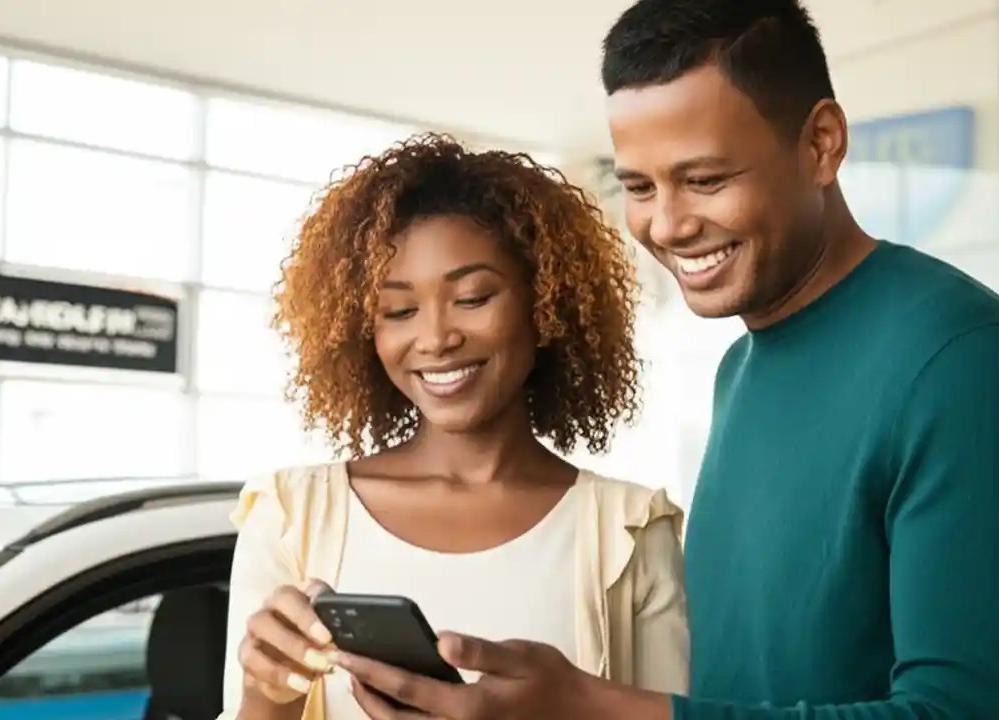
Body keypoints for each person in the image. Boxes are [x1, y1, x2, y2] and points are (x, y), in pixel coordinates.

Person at [334, 1, 999, 719]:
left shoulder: (963, 363)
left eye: (706, 180)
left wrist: (600, 709)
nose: (669, 224)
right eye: (639, 187)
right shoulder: (740, 370)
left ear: (821, 144)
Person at [218, 134, 690, 720]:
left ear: (545, 304)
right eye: (399, 311)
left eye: (472, 298)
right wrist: (266, 697)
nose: (437, 338)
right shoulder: (293, 517)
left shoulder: (628, 531)